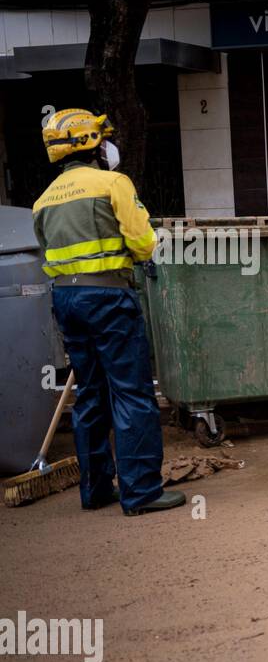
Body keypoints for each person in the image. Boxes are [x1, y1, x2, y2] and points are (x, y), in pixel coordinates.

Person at [32, 109, 185, 516]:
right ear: (88, 142)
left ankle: (96, 489)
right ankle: (141, 493)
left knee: (90, 394)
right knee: (132, 392)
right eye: (101, 138)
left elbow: (48, 254)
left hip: (67, 301)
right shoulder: (112, 183)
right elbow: (143, 243)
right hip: (108, 298)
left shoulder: (43, 201)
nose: (106, 145)